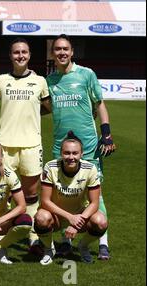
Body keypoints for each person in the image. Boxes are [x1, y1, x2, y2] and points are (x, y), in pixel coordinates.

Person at [0, 38, 51, 255]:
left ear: (29, 55)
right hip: (5, 146)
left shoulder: (40, 82)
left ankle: (33, 239)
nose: (20, 55)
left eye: (24, 52)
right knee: (4, 193)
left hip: (31, 145)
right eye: (16, 52)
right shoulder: (1, 80)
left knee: (30, 194)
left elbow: (48, 107)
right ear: (10, 56)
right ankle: (2, 237)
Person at [45, 34, 116, 260]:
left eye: (65, 48)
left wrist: (106, 134)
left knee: (96, 193)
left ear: (72, 51)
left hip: (88, 145)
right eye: (57, 49)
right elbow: (46, 108)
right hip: (60, 145)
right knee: (64, 192)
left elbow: (100, 104)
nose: (62, 52)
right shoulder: (49, 81)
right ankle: (67, 240)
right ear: (52, 53)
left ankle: (102, 242)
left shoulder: (86, 74)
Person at [34, 131, 108, 265]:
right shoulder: (50, 167)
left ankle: (83, 246)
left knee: (101, 221)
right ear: (61, 153)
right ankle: (49, 249)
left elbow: (94, 203)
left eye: (75, 153)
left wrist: (77, 221)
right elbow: (45, 201)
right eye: (67, 153)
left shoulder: (90, 169)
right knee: (41, 218)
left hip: (79, 215)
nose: (71, 157)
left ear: (82, 154)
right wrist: (70, 217)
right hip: (55, 216)